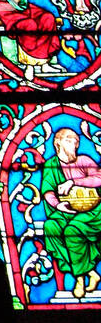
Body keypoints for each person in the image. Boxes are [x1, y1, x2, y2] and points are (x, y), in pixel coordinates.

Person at [41, 127, 101, 299]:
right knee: (51, 227)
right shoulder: (51, 165)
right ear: (57, 143)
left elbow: (98, 178)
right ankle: (91, 273)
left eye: (76, 141)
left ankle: (80, 279)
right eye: (69, 140)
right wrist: (58, 205)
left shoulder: (84, 160)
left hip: (92, 211)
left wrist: (73, 182)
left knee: (71, 231)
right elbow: (48, 191)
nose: (74, 144)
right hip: (66, 210)